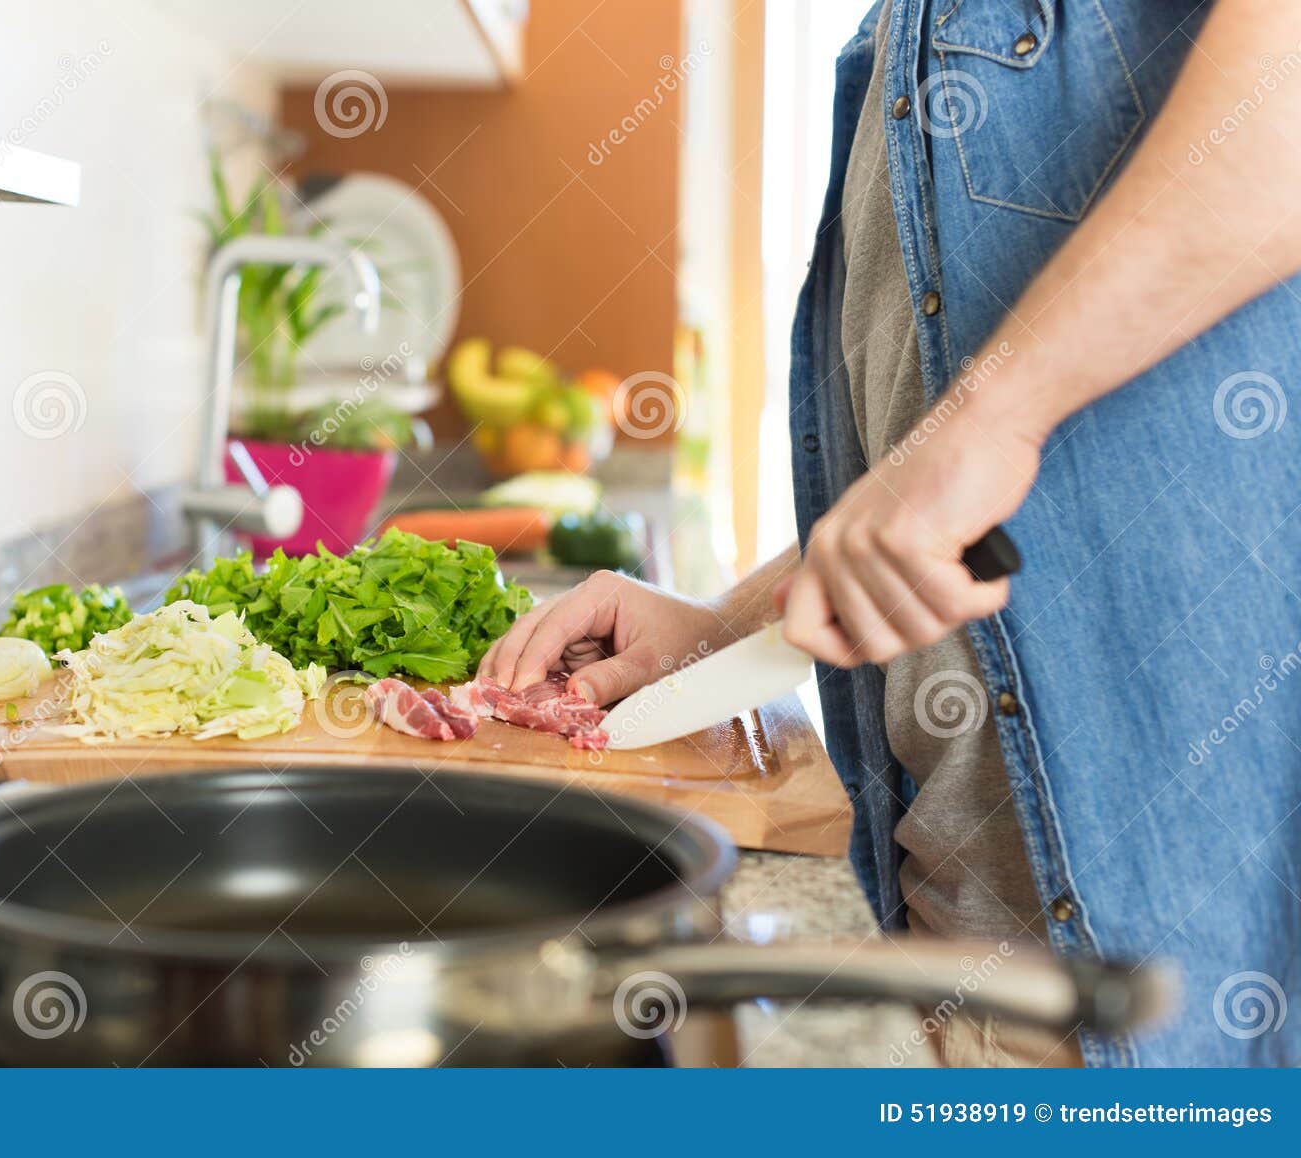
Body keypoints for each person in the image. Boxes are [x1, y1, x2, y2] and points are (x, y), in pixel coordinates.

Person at [480, 0, 1301, 1067]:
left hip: (1150, 985)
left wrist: (991, 418)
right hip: (957, 937)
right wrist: (723, 630)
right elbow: (965, 507)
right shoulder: (896, 45)